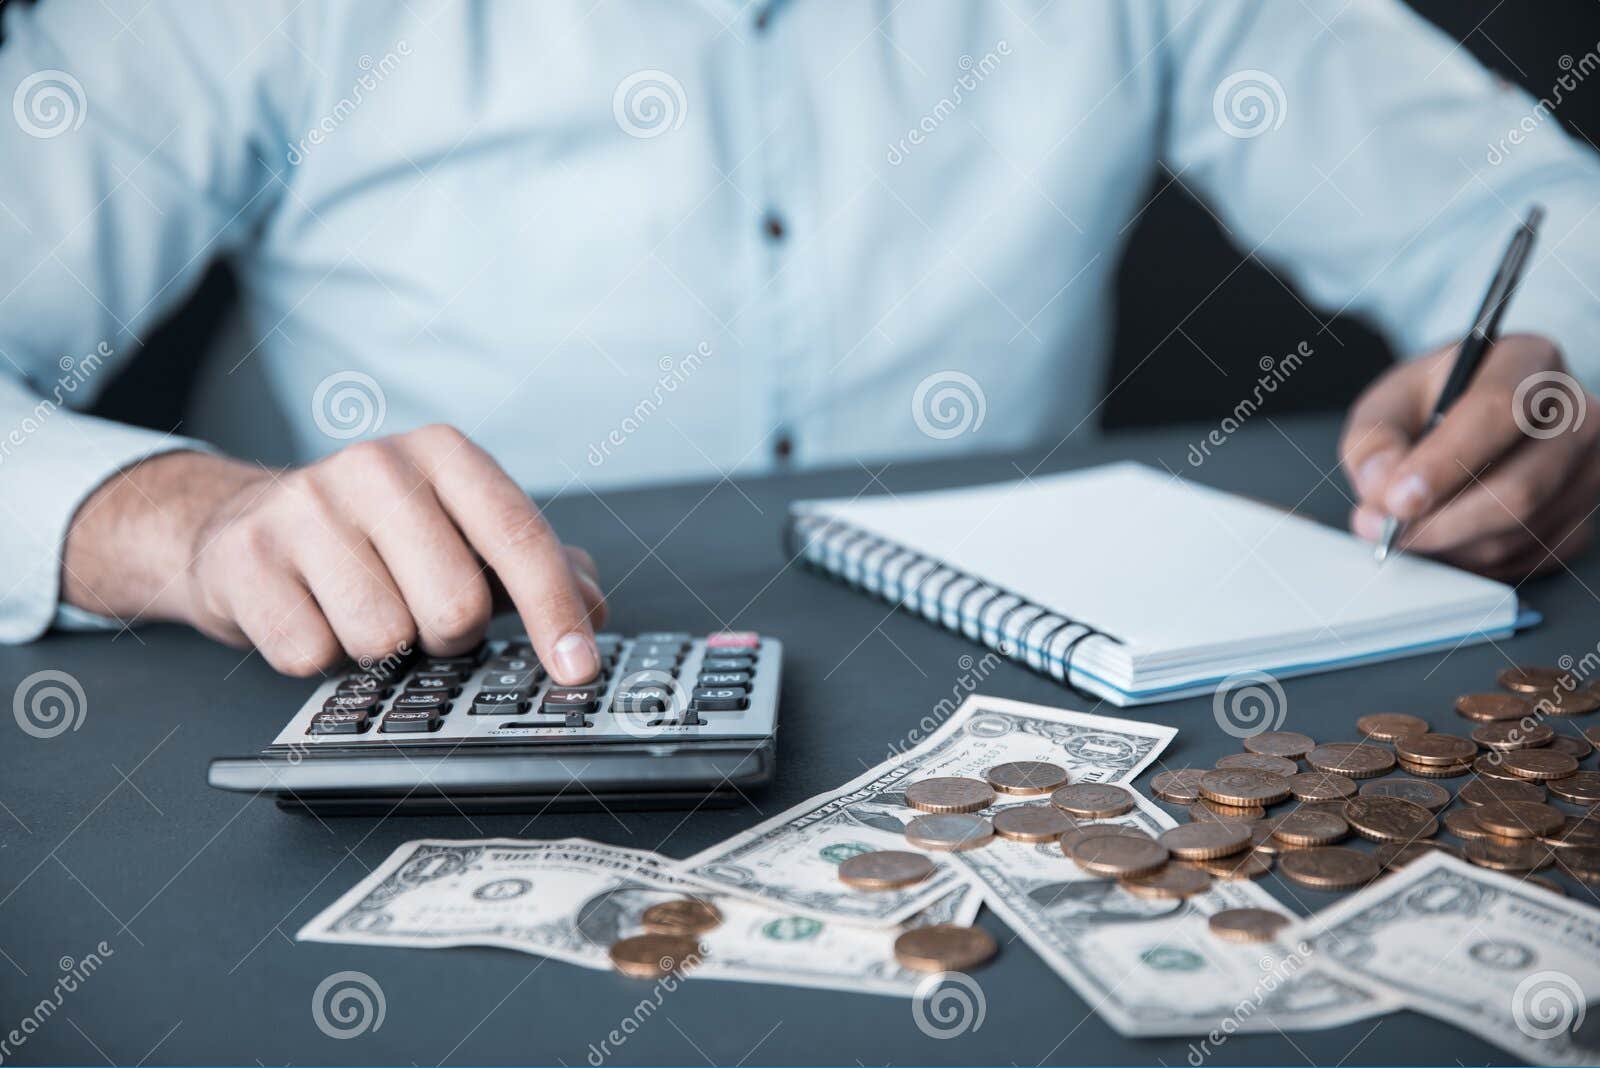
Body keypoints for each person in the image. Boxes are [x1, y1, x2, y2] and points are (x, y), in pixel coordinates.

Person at [2, 0, 1596, 687]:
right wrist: (181, 522)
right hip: (382, 747)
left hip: (1008, 755)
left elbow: (1535, 208)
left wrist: (1557, 365)